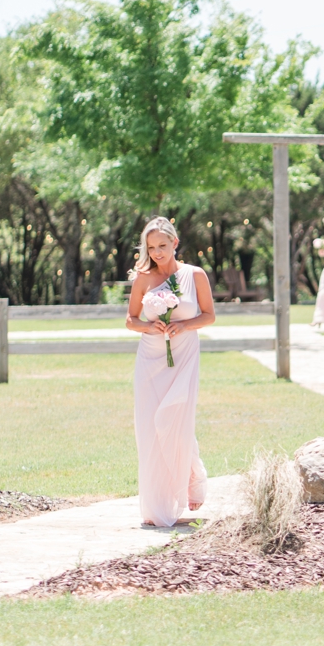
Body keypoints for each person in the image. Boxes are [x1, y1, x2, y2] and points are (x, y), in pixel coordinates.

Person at [125, 216, 215, 527]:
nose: (158, 252)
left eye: (163, 246)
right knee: (150, 426)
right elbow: (130, 320)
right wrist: (149, 327)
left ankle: (188, 479)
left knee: (177, 417)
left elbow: (209, 316)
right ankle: (155, 506)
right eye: (151, 247)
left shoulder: (196, 275)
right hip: (151, 359)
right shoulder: (143, 278)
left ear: (175, 243)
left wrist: (183, 325)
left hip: (184, 354)